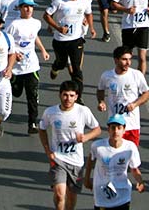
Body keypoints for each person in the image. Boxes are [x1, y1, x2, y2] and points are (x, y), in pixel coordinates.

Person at [40, 80, 103, 210]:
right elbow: (42, 129)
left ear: (76, 96)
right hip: (58, 159)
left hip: (76, 162)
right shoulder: (50, 112)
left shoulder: (83, 111)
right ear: (60, 95)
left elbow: (97, 130)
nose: (68, 99)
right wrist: (47, 150)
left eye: (71, 95)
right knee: (59, 194)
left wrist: (85, 137)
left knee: (71, 196)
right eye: (65, 95)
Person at [84, 114, 146, 210]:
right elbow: (90, 160)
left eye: (119, 128)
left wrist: (140, 181)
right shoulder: (98, 146)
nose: (116, 131)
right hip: (102, 195)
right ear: (108, 129)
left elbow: (134, 169)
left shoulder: (130, 148)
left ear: (124, 130)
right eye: (113, 128)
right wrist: (87, 179)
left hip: (122, 194)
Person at [97, 45, 149, 148]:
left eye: (129, 59)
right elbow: (100, 90)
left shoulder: (136, 75)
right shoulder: (107, 76)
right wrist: (101, 101)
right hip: (115, 125)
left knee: (131, 156)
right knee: (115, 154)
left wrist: (135, 104)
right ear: (116, 60)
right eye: (124, 59)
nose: (128, 63)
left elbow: (147, 94)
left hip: (132, 124)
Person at [10, 0, 50, 133]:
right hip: (16, 68)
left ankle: (32, 122)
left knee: (32, 96)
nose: (28, 9)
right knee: (16, 92)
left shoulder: (36, 23)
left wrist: (43, 50)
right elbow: (7, 41)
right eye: (26, 6)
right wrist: (15, 53)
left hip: (32, 65)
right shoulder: (14, 25)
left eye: (31, 7)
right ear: (20, 8)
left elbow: (34, 37)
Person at [46, 0, 94, 85]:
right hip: (60, 40)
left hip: (76, 39)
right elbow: (46, 15)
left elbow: (88, 13)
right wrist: (57, 28)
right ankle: (55, 67)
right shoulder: (59, 2)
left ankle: (78, 96)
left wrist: (91, 28)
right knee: (62, 63)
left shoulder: (84, 2)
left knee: (76, 68)